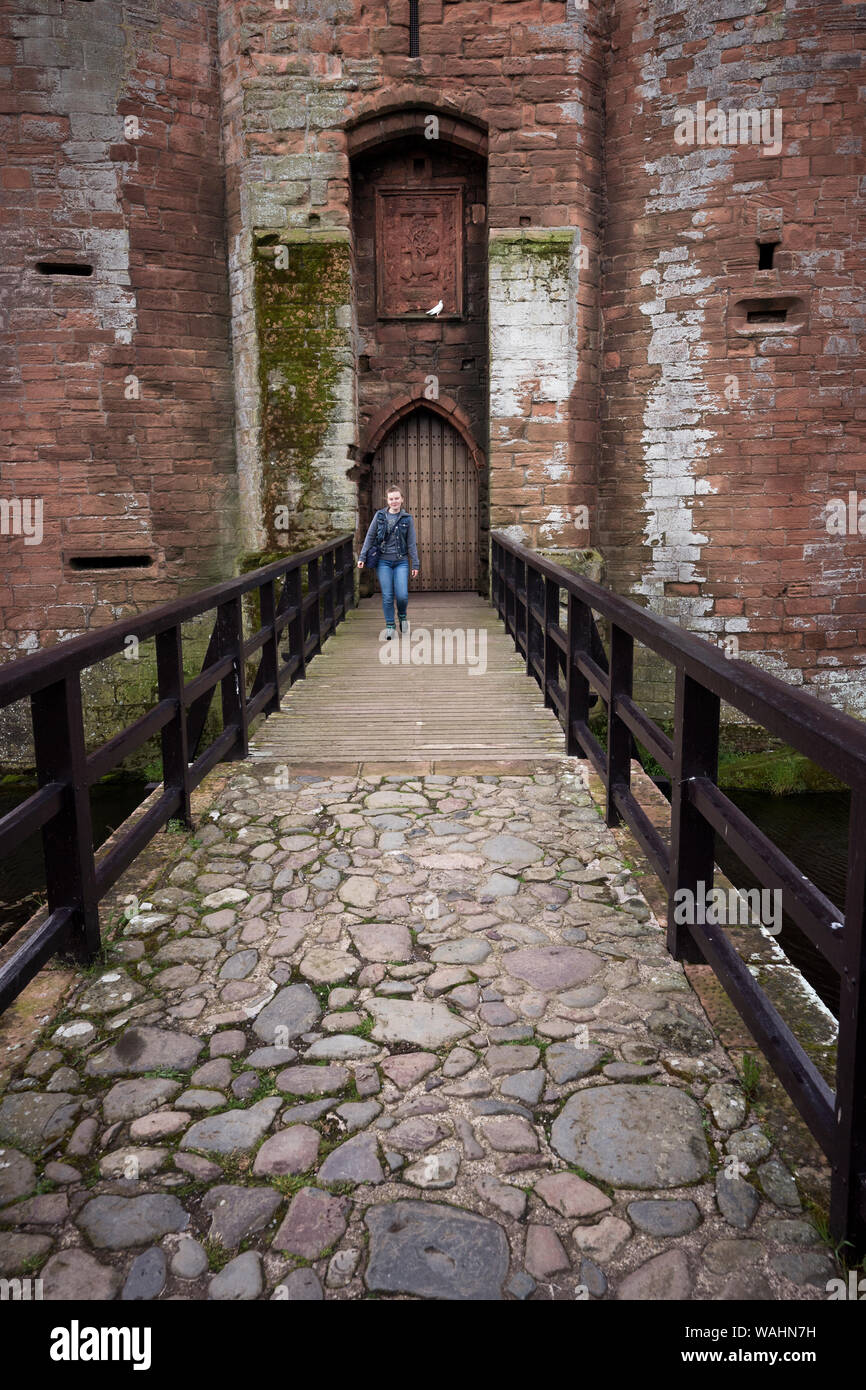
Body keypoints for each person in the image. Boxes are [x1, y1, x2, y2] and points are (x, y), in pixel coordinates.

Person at [357, 486, 420, 637]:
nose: (394, 501)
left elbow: (411, 543)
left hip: (401, 561)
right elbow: (370, 537)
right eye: (391, 499)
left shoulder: (407, 519)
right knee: (387, 595)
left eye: (397, 498)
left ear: (402, 499)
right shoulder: (379, 516)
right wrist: (362, 557)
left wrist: (415, 563)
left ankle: (403, 615)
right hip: (383, 562)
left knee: (402, 595)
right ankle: (390, 626)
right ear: (387, 500)